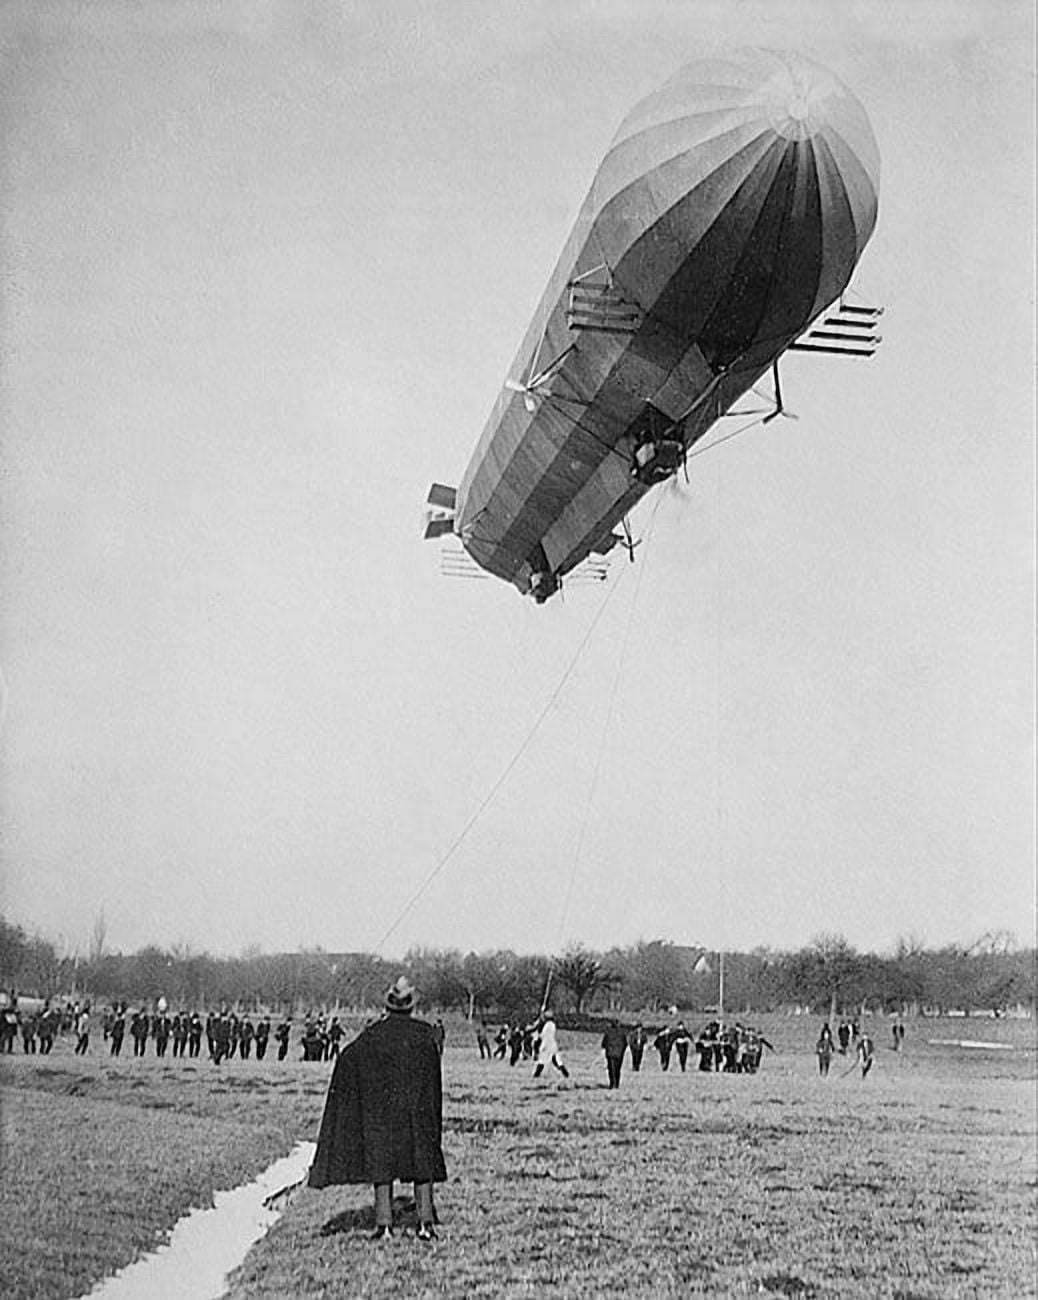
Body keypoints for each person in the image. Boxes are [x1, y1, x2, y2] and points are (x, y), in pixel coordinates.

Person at [309, 976, 446, 1241]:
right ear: (411, 1007)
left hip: (382, 1113)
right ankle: (425, 1224)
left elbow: (347, 1058)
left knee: (382, 1164)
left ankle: (384, 1226)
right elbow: (433, 1081)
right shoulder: (425, 1035)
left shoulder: (373, 1034)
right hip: (417, 1113)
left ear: (389, 1006)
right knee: (422, 1164)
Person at [532, 1010, 569, 1080]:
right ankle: (566, 1074)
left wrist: (538, 1022)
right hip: (552, 1044)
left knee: (542, 1061)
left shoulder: (546, 1026)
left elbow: (540, 1033)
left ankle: (536, 1075)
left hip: (545, 1045)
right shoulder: (552, 1025)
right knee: (557, 1060)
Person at [600, 1019, 628, 1089]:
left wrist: (606, 1049)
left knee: (611, 1069)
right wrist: (622, 1050)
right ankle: (617, 1084)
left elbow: (604, 1043)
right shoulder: (622, 1033)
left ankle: (612, 1084)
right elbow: (625, 1043)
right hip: (619, 1054)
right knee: (617, 1069)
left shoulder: (608, 1032)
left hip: (610, 1053)